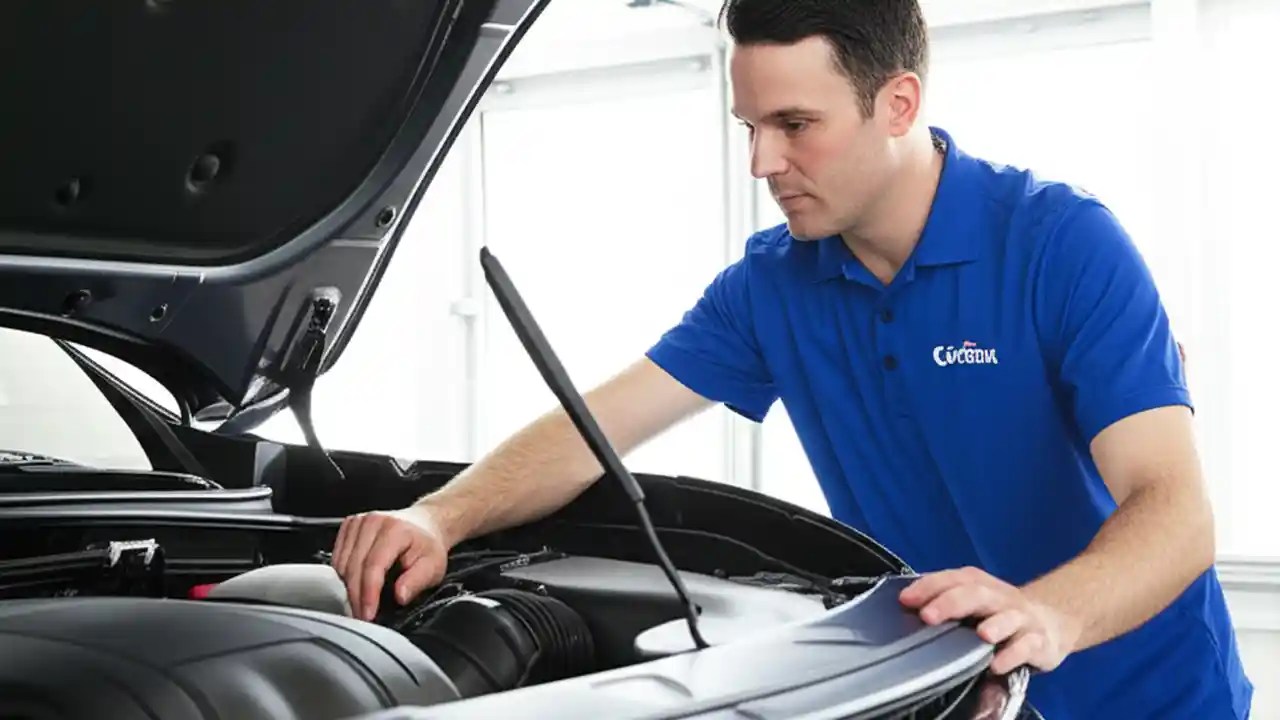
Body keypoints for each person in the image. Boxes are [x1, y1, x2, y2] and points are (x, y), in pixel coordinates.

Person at [330, 0, 1253, 716]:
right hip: (943, 694)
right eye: (749, 127)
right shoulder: (770, 286)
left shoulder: (1062, 245)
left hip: (1145, 697)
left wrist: (1046, 614)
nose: (762, 162)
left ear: (898, 103)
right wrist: (439, 515)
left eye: (796, 124)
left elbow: (1175, 512)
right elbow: (590, 432)